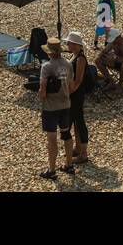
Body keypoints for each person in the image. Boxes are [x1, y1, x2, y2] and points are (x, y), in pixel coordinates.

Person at [37, 38, 74, 179]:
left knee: (51, 138)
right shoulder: (68, 64)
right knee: (66, 134)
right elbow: (70, 85)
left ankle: (52, 170)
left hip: (50, 107)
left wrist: (41, 97)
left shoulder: (46, 67)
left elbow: (43, 90)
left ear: (49, 52)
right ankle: (69, 165)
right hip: (65, 104)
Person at [64, 31, 93, 166]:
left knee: (79, 121)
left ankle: (83, 154)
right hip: (74, 93)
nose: (67, 44)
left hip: (76, 94)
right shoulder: (75, 55)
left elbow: (79, 79)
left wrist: (69, 92)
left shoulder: (80, 58)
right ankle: (78, 147)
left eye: (69, 43)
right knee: (76, 121)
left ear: (75, 44)